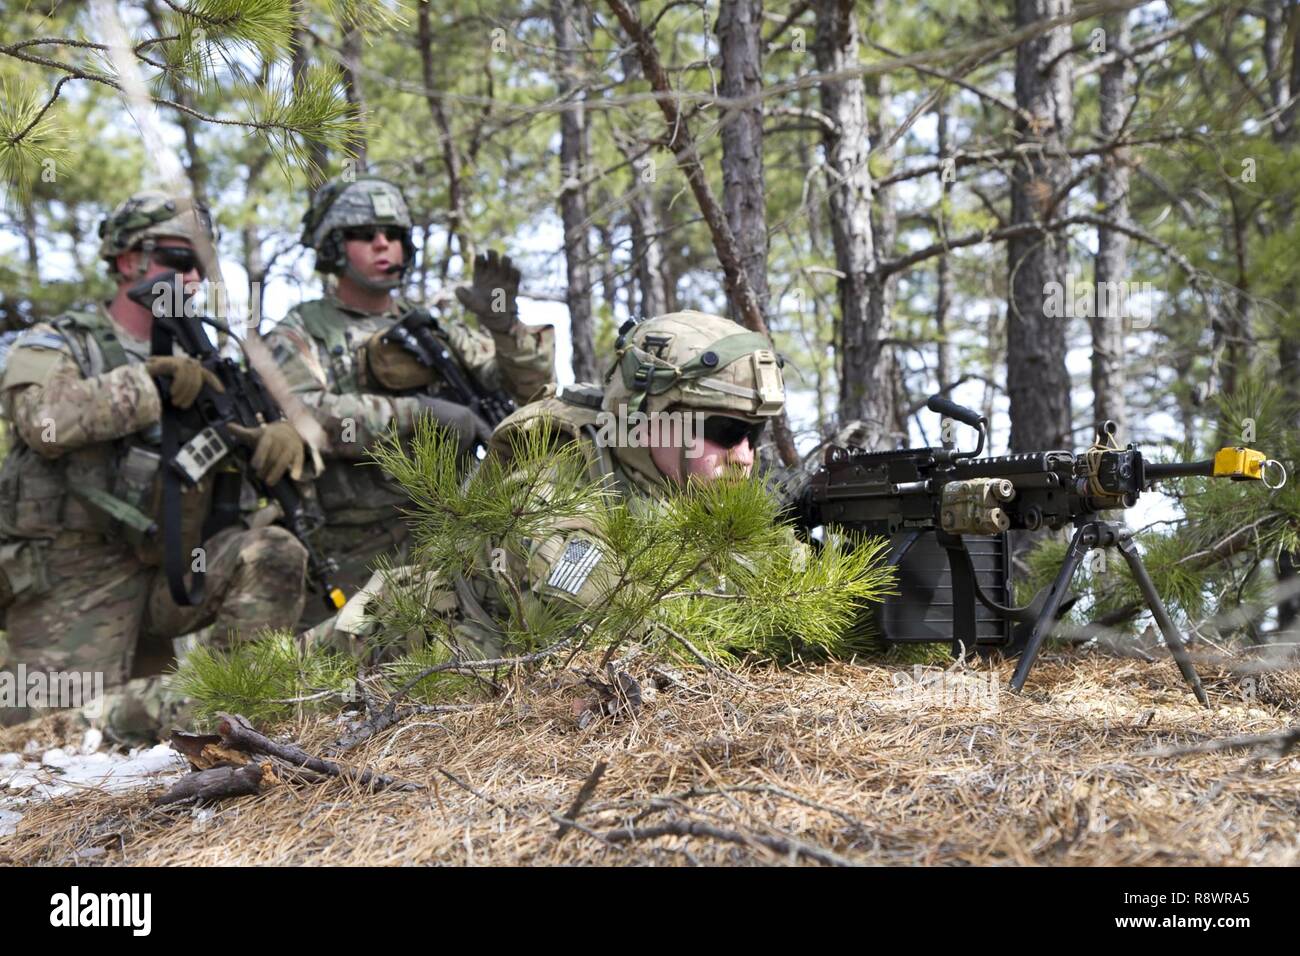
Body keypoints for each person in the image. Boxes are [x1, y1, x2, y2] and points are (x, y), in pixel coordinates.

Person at [0, 190, 310, 740]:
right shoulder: (61, 340)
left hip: (173, 569)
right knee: (47, 749)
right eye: (179, 259)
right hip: (76, 579)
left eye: (203, 265)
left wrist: (278, 442)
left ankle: (226, 722)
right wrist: (150, 383)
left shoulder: (213, 363)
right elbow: (42, 421)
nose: (192, 278)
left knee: (274, 553)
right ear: (128, 260)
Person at [316, 309, 786, 657]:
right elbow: (634, 630)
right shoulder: (552, 498)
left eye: (755, 433)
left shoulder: (673, 484)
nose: (744, 455)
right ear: (648, 418)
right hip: (366, 648)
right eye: (724, 431)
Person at [264, 176, 555, 628]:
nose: (384, 245)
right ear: (334, 246)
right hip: (352, 551)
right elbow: (300, 414)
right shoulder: (301, 331)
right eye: (366, 235)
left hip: (450, 532)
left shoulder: (433, 333)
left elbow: (533, 394)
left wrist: (506, 329)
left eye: (395, 235)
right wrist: (419, 415)